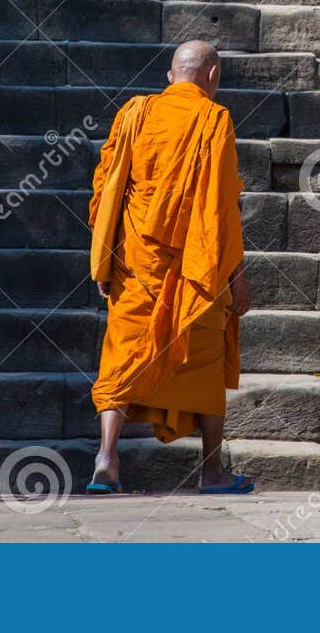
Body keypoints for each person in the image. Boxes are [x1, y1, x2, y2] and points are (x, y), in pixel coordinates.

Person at [86, 40, 253, 494]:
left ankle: (106, 457)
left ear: (169, 77)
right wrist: (238, 277)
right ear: (212, 76)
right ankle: (213, 471)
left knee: (122, 353)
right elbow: (221, 211)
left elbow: (108, 191)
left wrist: (104, 261)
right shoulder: (214, 120)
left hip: (135, 261)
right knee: (204, 360)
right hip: (195, 270)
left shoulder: (135, 113)